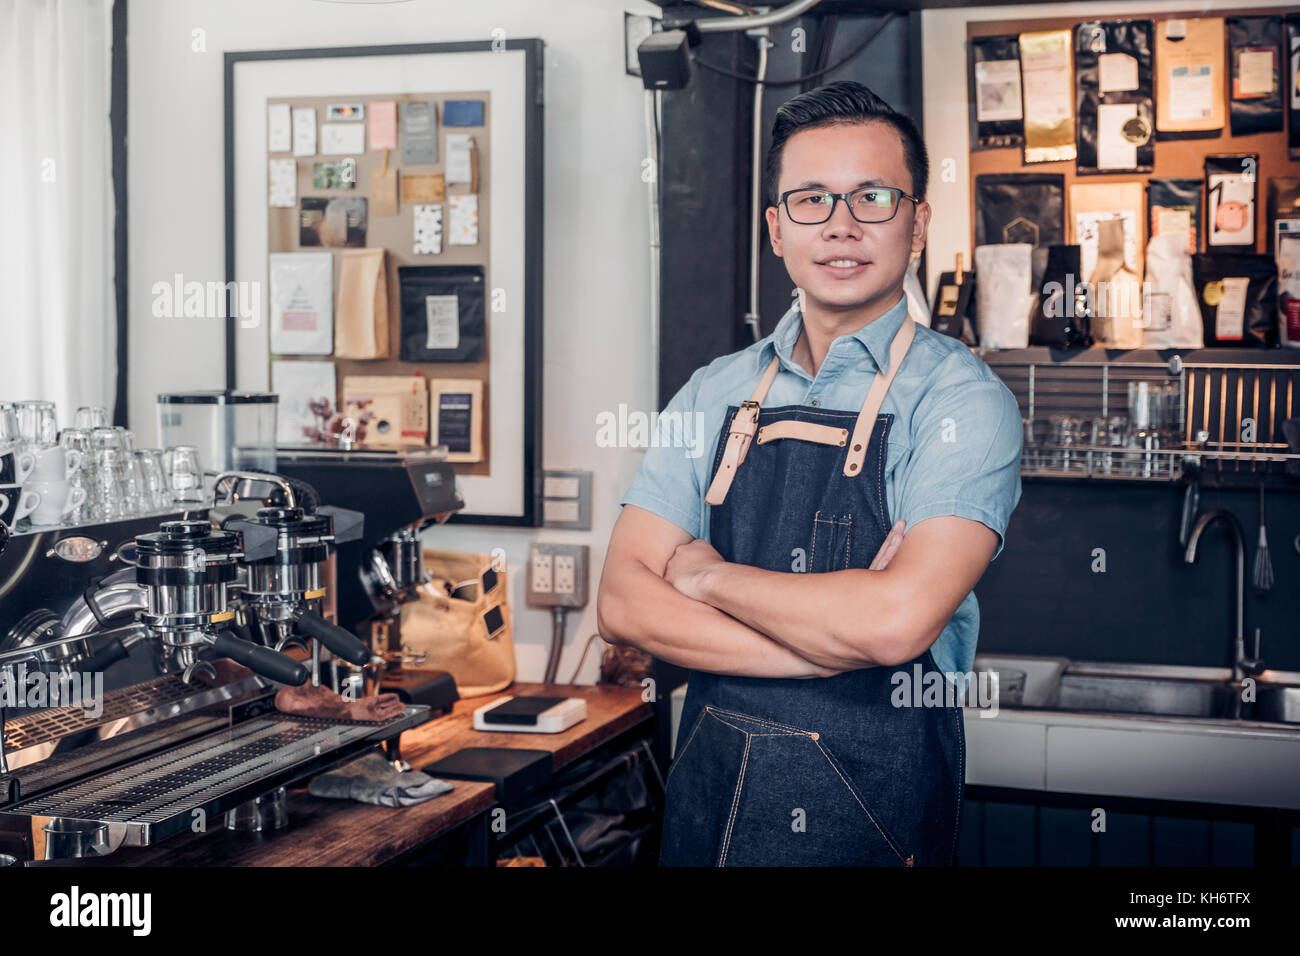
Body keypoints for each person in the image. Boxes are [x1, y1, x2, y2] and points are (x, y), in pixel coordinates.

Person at [597, 80, 1023, 866]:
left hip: (874, 823)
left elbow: (896, 624)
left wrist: (705, 578)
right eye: (811, 201)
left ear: (918, 222)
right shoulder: (713, 390)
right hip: (706, 808)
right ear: (776, 229)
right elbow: (623, 603)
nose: (842, 228)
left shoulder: (963, 402)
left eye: (873, 197)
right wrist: (836, 643)